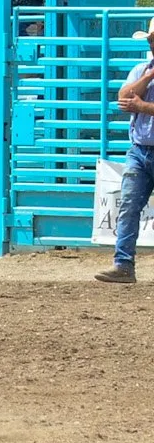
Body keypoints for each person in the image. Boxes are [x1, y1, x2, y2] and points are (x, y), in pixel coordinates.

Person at [97, 26, 154, 284]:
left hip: (141, 150)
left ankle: (124, 264)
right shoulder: (141, 70)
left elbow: (132, 102)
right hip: (140, 149)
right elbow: (123, 97)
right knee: (129, 205)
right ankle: (123, 264)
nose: (152, 44)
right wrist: (149, 77)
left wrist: (142, 106)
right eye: (152, 40)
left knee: (130, 206)